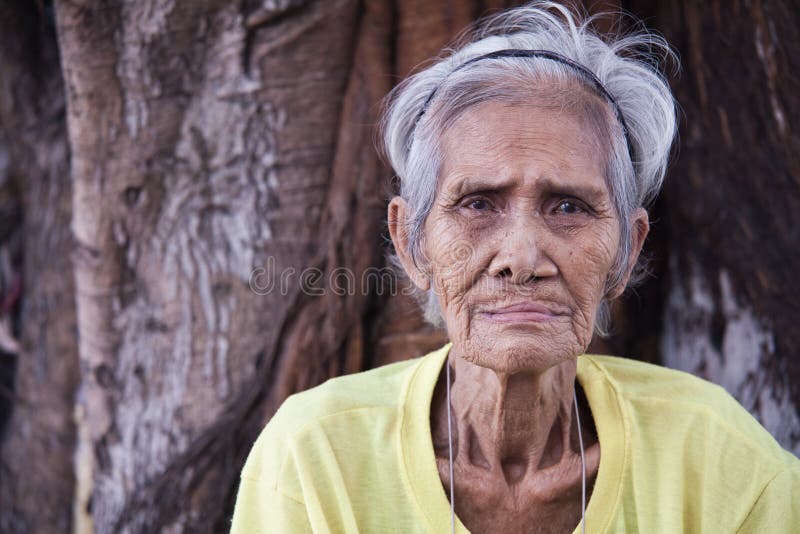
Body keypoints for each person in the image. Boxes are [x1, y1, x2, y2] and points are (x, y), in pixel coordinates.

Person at [231, 2, 800, 532]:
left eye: (570, 207)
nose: (522, 259)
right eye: (478, 203)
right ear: (412, 243)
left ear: (626, 250)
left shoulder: (717, 459)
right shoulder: (315, 457)